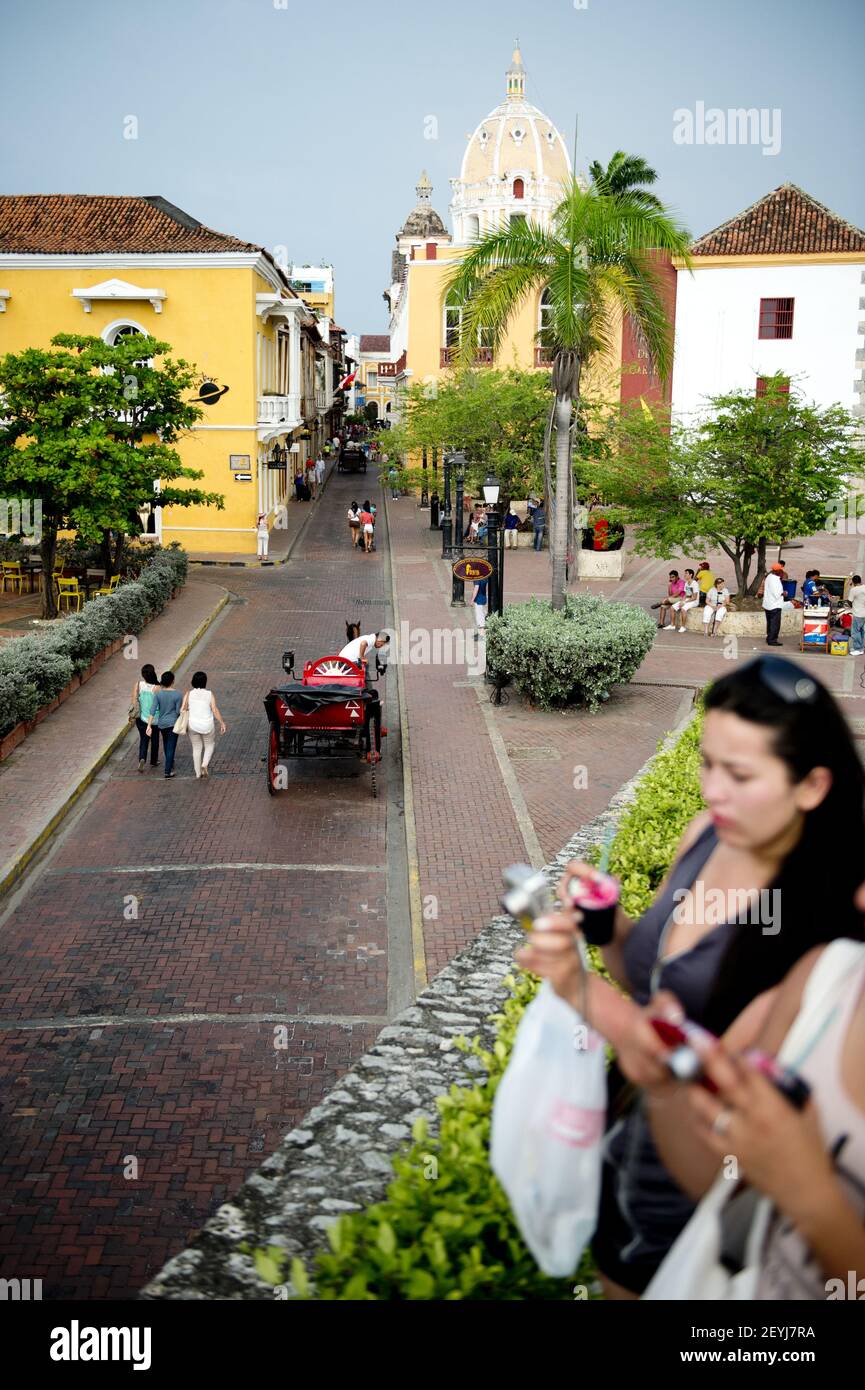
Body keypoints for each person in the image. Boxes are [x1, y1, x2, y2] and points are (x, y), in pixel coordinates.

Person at [517, 653, 865, 1298]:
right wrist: (606, 925)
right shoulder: (707, 834)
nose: (713, 790)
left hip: (704, 1196)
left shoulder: (828, 926)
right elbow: (654, 984)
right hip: (628, 1144)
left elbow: (720, 1087)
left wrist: (584, 994)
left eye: (739, 773)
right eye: (706, 764)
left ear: (812, 786)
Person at [180, 671, 226, 781]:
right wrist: (222, 722)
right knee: (209, 745)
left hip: (193, 724)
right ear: (205, 682)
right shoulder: (209, 694)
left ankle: (197, 773)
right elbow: (214, 709)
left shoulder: (188, 694)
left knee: (196, 747)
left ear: (193, 681)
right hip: (207, 725)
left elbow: (183, 709)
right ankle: (205, 764)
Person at [147, 670, 183, 779]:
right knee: (171, 746)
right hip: (173, 723)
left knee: (166, 744)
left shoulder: (158, 694)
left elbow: (152, 711)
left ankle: (170, 762)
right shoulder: (177, 694)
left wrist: (149, 725)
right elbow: (177, 711)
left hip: (162, 724)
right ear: (172, 681)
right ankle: (168, 770)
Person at [132, 663, 161, 773]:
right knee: (155, 740)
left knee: (144, 739)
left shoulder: (138, 685)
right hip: (154, 719)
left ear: (143, 675)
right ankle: (153, 760)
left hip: (141, 719)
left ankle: (142, 758)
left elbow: (134, 702)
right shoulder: (157, 688)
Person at [763, 561, 785, 647]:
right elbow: (777, 593)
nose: (781, 572)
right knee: (775, 624)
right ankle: (772, 640)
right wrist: (784, 593)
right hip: (774, 605)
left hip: (768, 604)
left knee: (770, 623)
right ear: (777, 571)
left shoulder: (769, 577)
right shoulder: (775, 579)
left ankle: (769, 638)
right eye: (780, 570)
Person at [671, 568, 699, 633]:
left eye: (686, 573)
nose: (684, 575)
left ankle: (683, 627)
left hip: (694, 601)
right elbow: (686, 594)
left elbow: (694, 597)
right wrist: (682, 601)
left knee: (683, 609)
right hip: (688, 599)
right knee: (672, 607)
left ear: (691, 575)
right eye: (685, 573)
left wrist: (684, 602)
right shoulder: (686, 583)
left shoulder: (695, 584)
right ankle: (672, 625)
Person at [848, 573, 865, 656]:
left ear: (853, 582)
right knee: (862, 631)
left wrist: (852, 606)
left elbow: (849, 601)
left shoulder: (853, 590)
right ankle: (861, 648)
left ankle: (857, 648)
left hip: (858, 613)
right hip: (864, 613)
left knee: (855, 632)